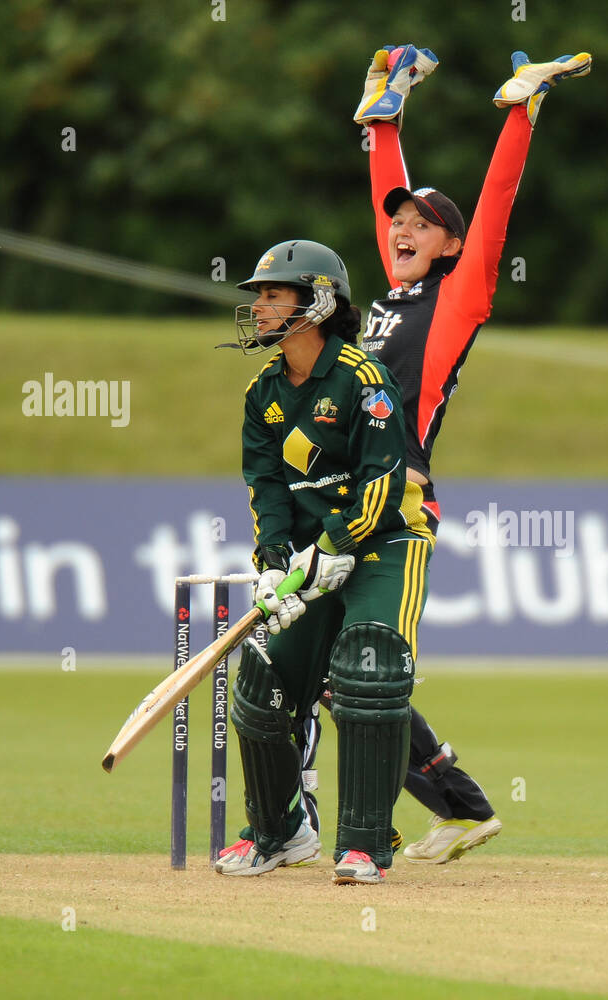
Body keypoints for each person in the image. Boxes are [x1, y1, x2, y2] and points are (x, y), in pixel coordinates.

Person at [285, 43, 591, 866]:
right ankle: (460, 808)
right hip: (345, 499)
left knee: (361, 667)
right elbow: (389, 199)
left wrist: (522, 114)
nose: (404, 230)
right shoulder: (394, 291)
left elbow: (492, 208)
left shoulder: (461, 293)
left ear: (452, 246)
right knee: (334, 672)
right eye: (399, 223)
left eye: (423, 225)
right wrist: (384, 121)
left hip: (398, 495)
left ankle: (375, 827)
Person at [213, 238, 435, 885]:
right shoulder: (263, 396)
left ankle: (365, 843)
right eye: (257, 295)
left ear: (315, 301)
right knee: (262, 679)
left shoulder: (363, 379)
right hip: (311, 556)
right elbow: (268, 493)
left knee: (367, 666)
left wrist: (336, 546)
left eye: (272, 294)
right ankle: (280, 830)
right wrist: (275, 563)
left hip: (387, 542)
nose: (258, 307)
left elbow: (382, 484)